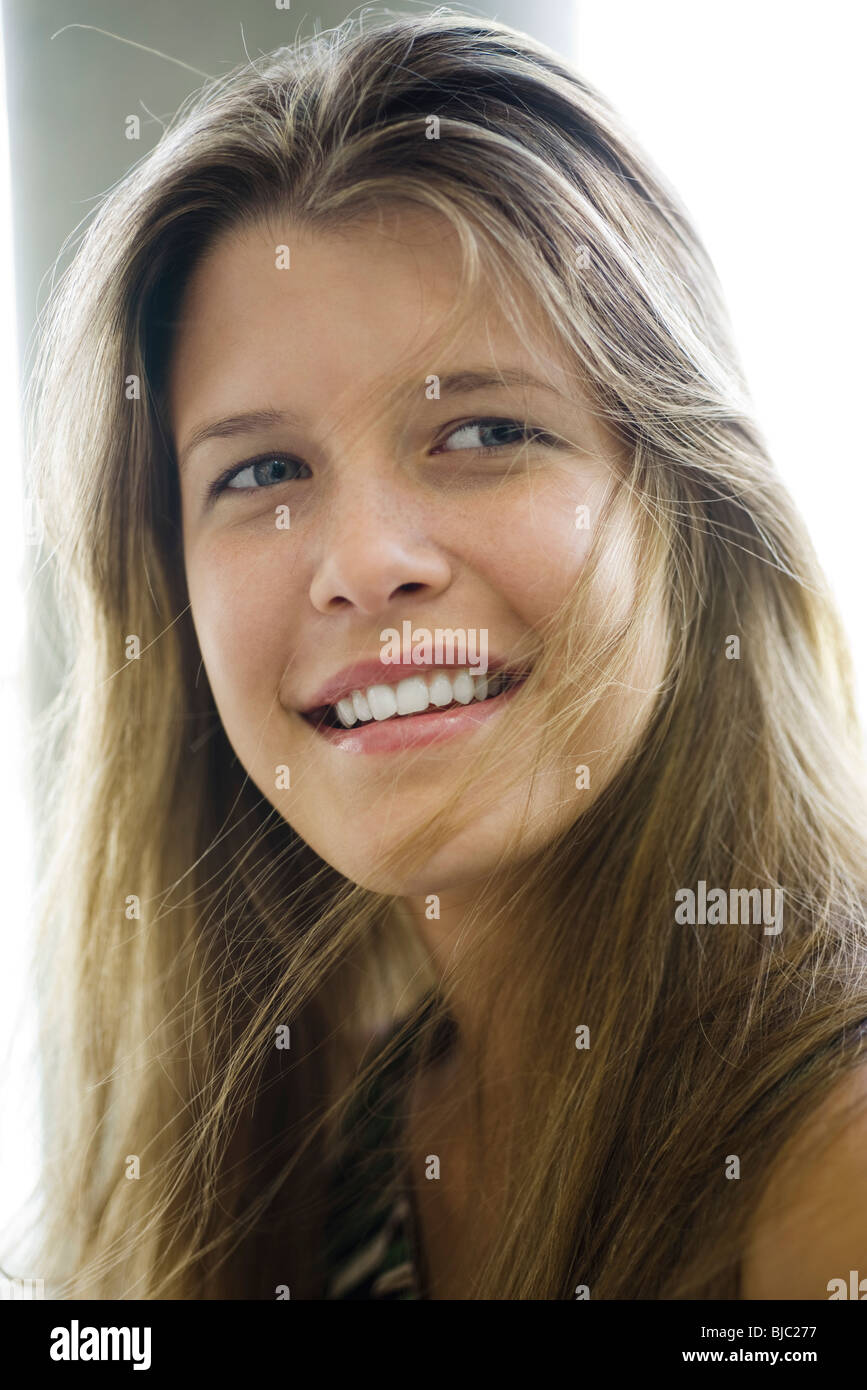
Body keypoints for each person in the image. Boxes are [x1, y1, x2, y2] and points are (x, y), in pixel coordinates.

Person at [23, 11, 867, 1300]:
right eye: (262, 470)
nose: (362, 560)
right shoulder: (305, 1145)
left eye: (482, 433)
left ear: (693, 515)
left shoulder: (836, 1167)